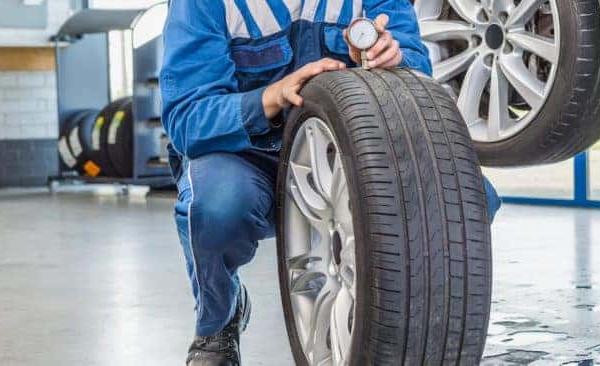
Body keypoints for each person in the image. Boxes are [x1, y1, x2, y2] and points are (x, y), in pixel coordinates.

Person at [159, 1, 502, 365]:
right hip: (246, 155)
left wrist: (392, 61)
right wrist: (272, 97)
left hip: (344, 152)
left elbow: (419, 81)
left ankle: (402, 316)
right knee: (217, 207)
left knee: (470, 200)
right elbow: (187, 118)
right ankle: (219, 320)